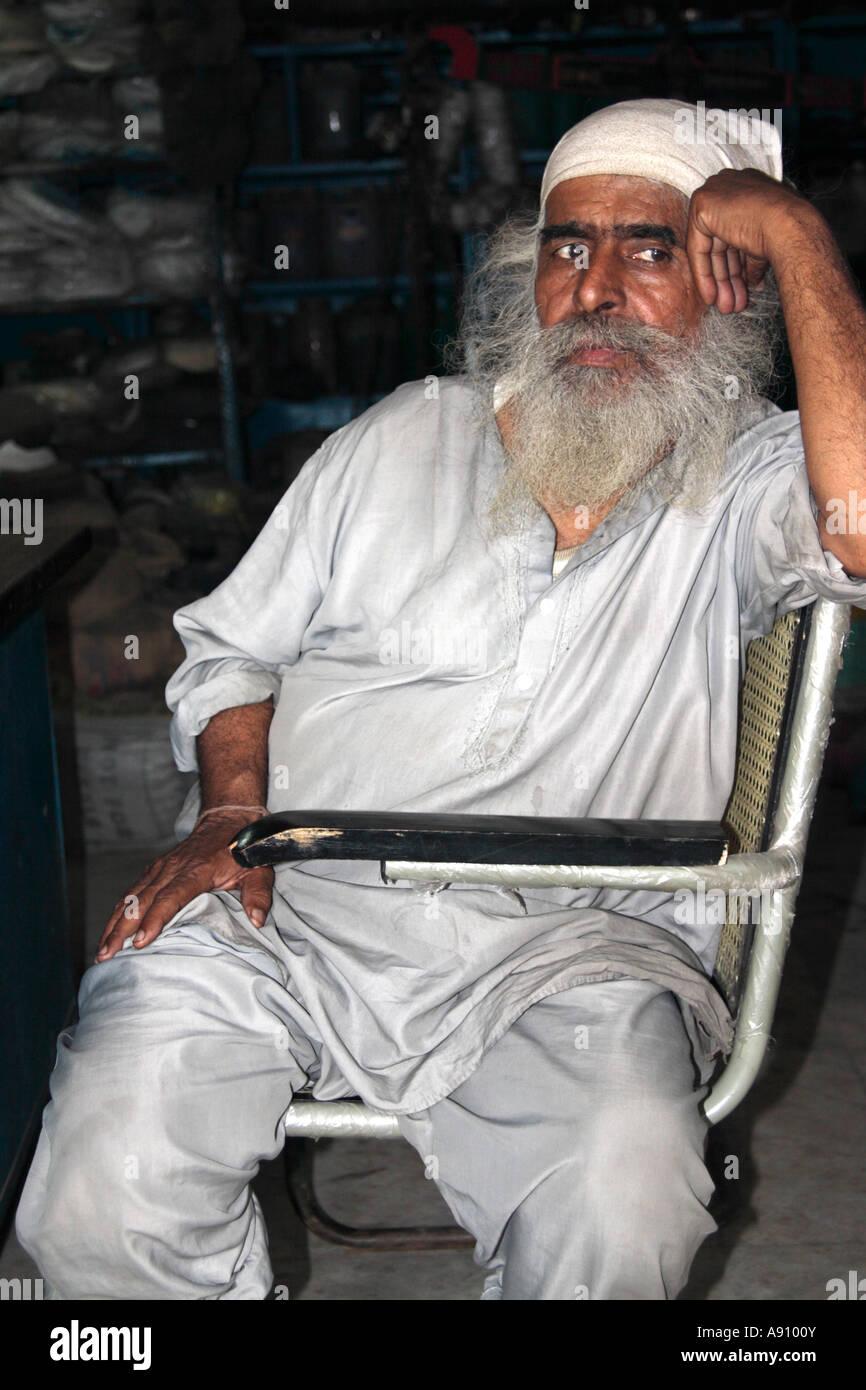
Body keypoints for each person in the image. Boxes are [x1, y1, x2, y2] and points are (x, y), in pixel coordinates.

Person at [16, 98, 866, 1300]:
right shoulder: (399, 437)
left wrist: (792, 225)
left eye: (651, 247)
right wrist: (227, 814)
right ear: (530, 274)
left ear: (729, 286)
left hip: (568, 951)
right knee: (101, 1172)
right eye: (569, 247)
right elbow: (231, 651)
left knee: (626, 1190)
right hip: (293, 906)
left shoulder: (748, 479)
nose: (599, 287)